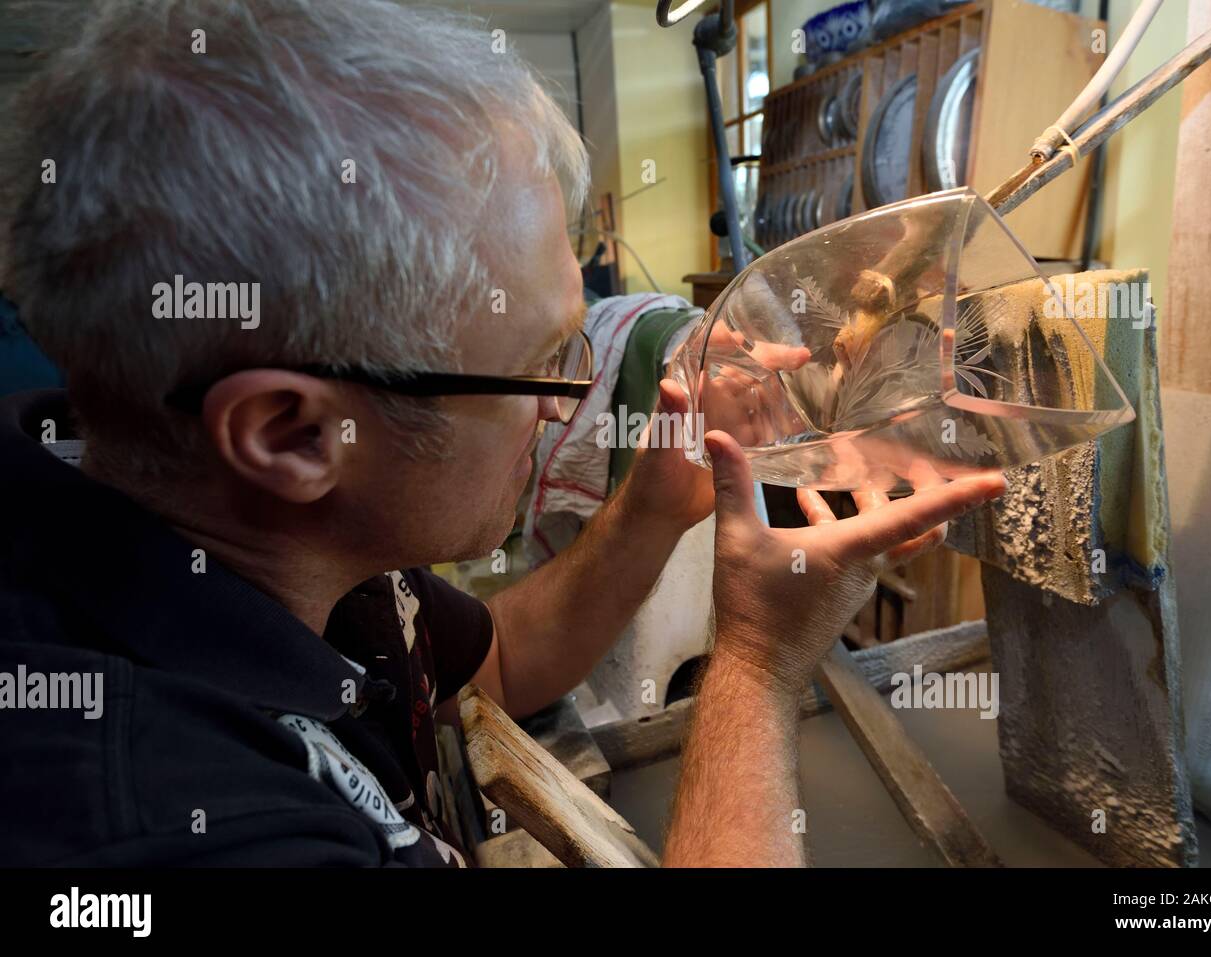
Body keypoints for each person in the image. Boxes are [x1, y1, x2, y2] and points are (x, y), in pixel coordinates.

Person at [0, 0, 1005, 867]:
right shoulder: (167, 823)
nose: (569, 400)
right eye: (539, 363)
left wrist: (653, 505)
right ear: (293, 435)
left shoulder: (273, 547)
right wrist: (756, 661)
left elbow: (501, 667)